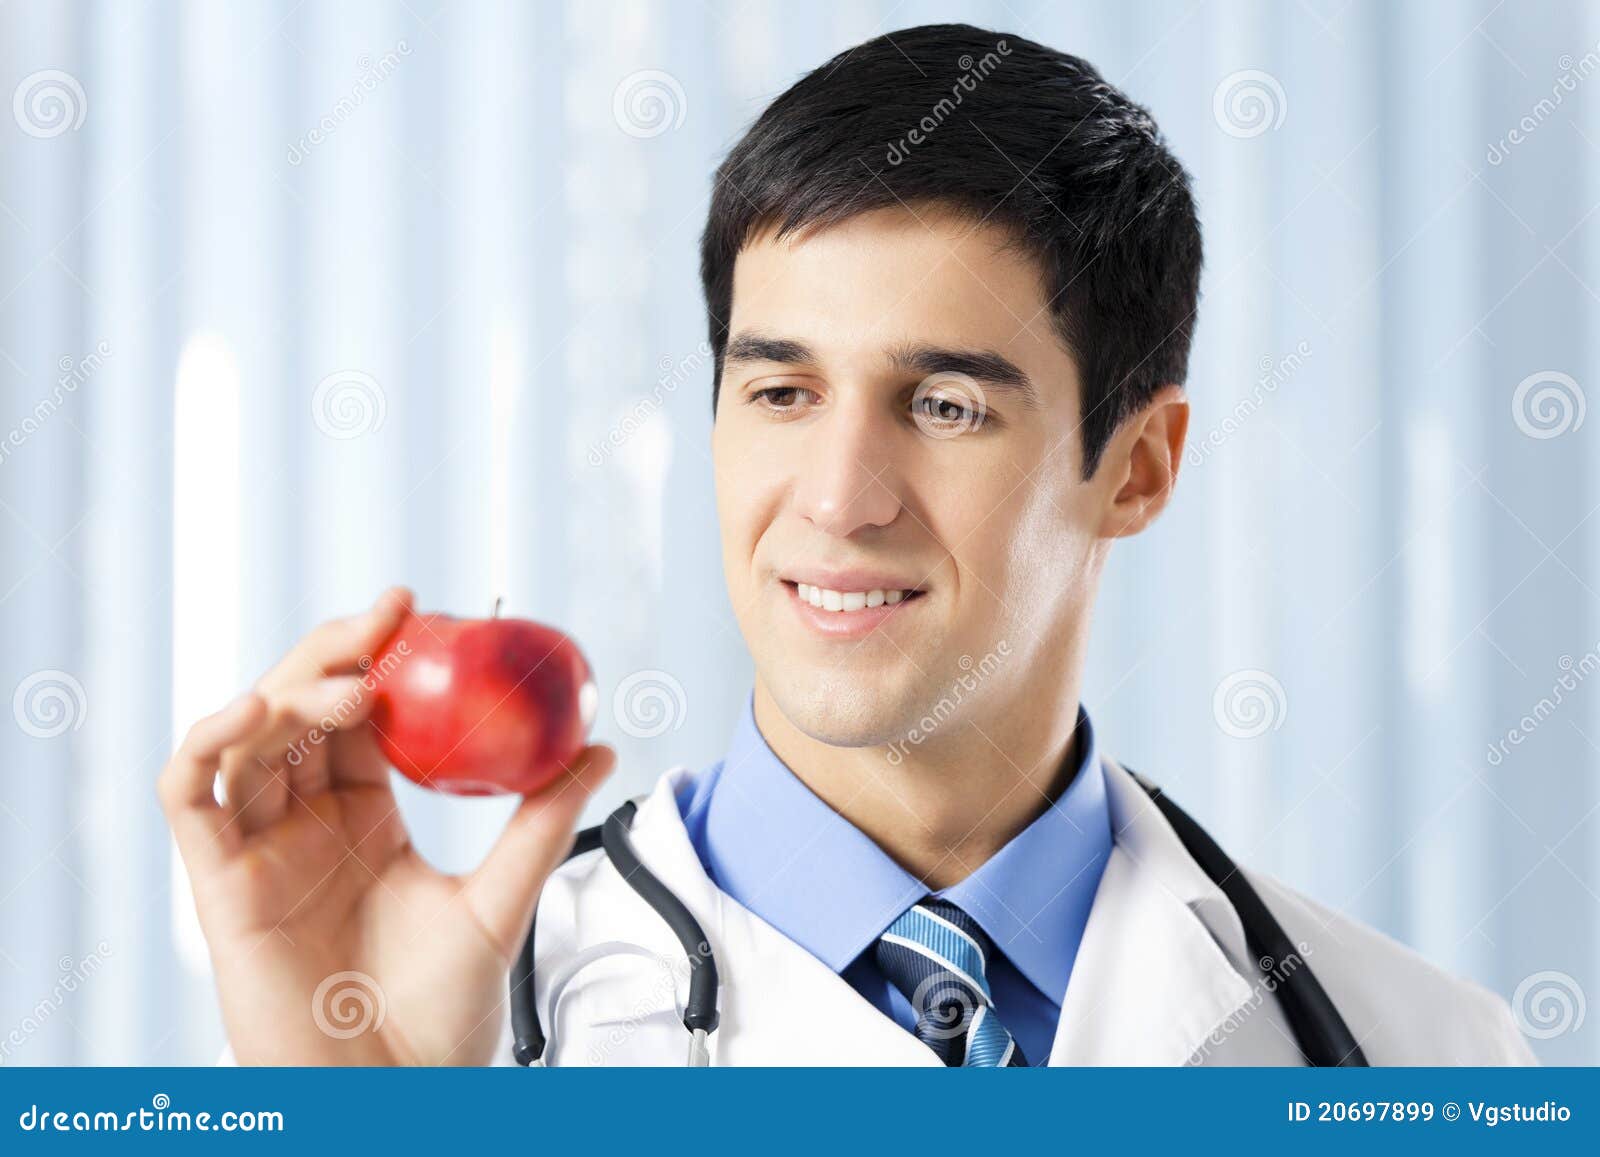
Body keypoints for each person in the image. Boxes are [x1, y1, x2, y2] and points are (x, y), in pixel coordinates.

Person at [159, 23, 1534, 1067]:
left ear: (1139, 466)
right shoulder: (469, 1021)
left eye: (943, 404)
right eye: (781, 390)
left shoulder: (1416, 1048)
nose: (839, 494)